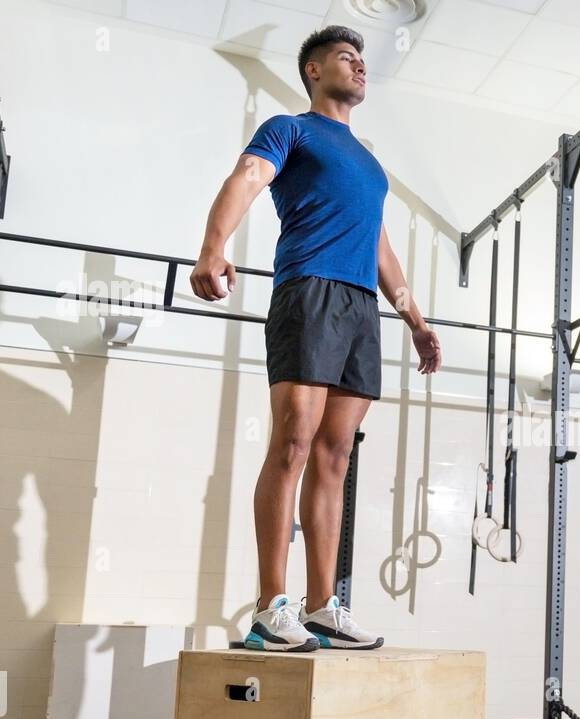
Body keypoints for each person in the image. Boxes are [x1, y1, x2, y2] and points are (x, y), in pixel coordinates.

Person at [190, 25, 441, 651]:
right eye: (345, 59)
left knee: (336, 456)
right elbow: (246, 178)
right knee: (294, 442)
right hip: (309, 290)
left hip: (360, 308)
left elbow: (380, 245)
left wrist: (415, 318)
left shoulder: (370, 160)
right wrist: (212, 249)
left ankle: (324, 604)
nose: (359, 68)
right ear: (312, 70)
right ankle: (270, 605)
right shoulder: (289, 129)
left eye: (362, 62)